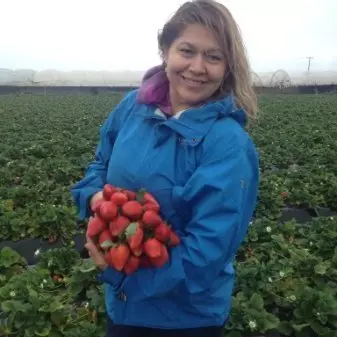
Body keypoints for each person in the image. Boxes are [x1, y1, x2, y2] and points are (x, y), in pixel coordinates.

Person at [71, 0, 259, 336]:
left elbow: (206, 251)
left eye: (213, 57)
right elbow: (99, 163)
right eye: (186, 50)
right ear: (165, 50)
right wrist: (95, 199)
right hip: (123, 306)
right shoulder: (132, 107)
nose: (197, 67)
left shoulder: (228, 144)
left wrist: (122, 274)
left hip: (185, 318)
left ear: (227, 67)